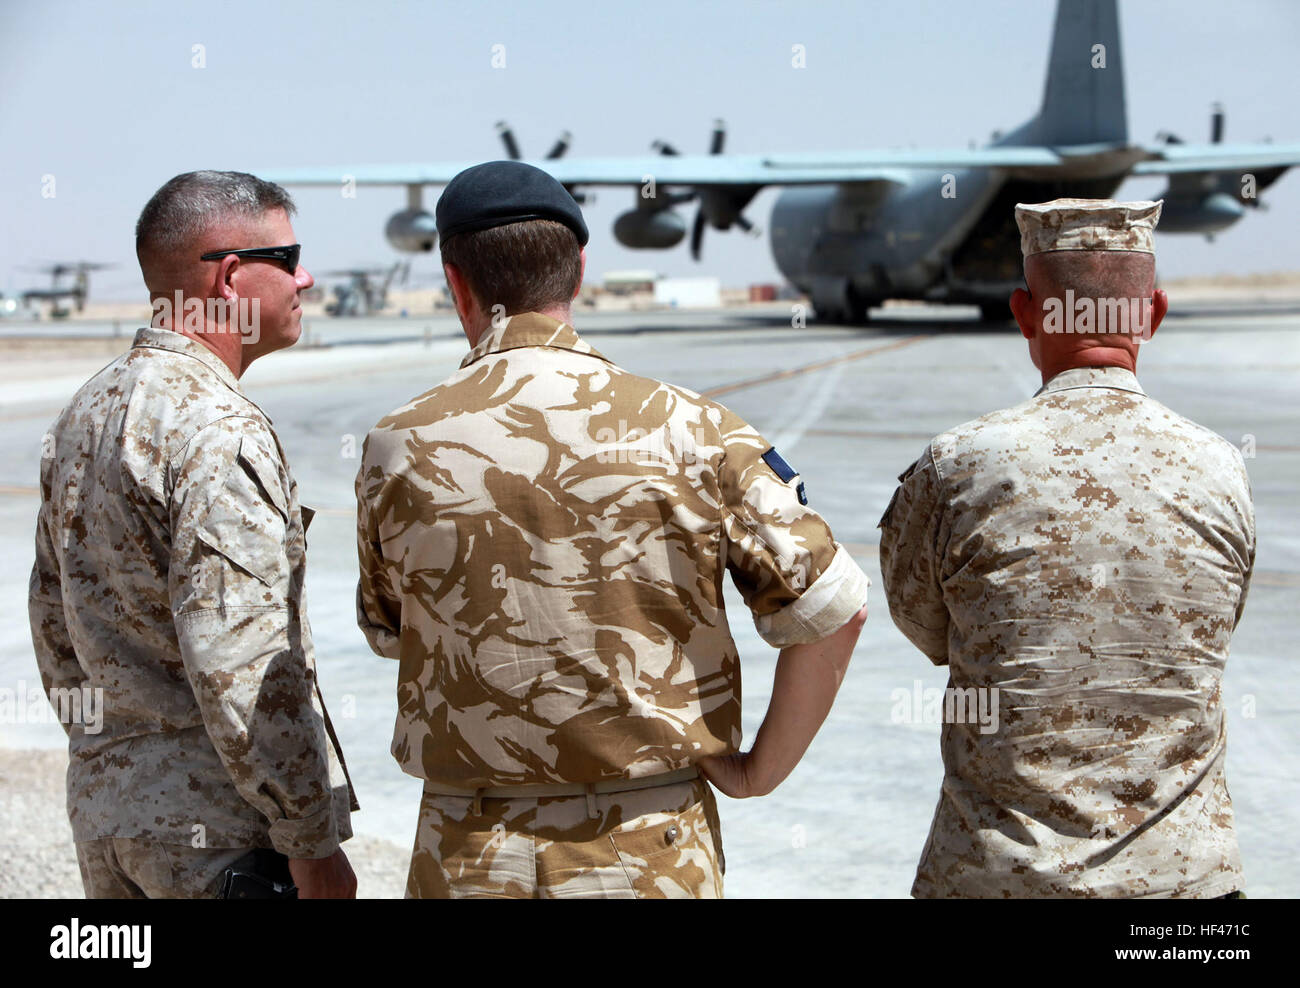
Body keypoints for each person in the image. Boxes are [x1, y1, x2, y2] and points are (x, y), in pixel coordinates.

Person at [355, 160, 870, 899]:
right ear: (580, 272)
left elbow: (387, 631)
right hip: (649, 846)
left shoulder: (397, 444)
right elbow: (833, 609)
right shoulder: (695, 428)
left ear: (455, 283)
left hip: (467, 847)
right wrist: (760, 771)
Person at [878, 197, 1253, 898]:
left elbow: (929, 630)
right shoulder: (1223, 468)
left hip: (998, 880)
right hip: (1184, 896)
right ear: (1153, 314)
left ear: (1025, 313)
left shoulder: (958, 465)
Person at [28, 170, 358, 899]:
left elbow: (53, 626)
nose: (305, 277)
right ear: (233, 277)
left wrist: (116, 759)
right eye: (289, 257)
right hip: (222, 837)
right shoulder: (216, 426)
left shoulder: (86, 411)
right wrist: (310, 841)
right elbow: (240, 658)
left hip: (111, 817)